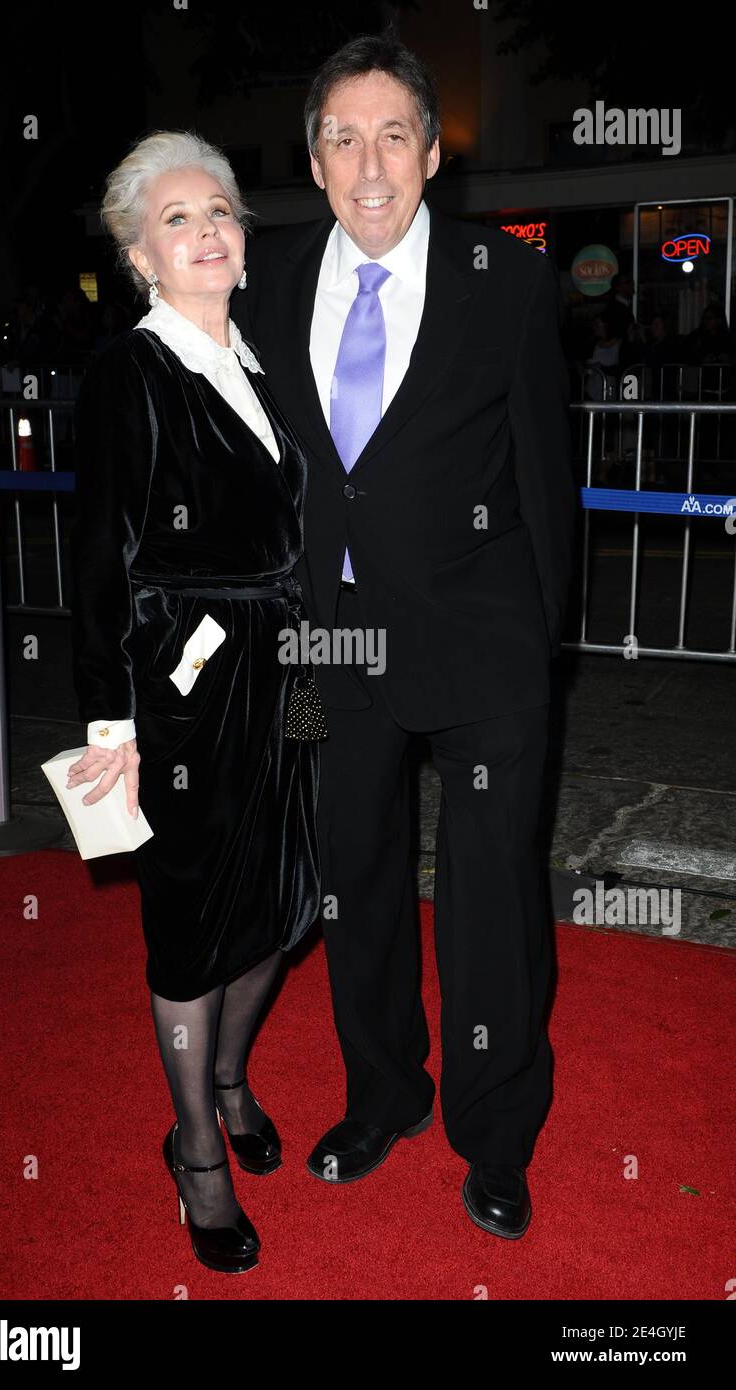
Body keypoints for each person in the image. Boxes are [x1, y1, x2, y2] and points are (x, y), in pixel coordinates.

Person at [231, 30, 576, 1240]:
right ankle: (384, 1096)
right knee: (353, 880)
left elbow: (546, 475)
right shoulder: (263, 281)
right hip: (328, 653)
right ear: (314, 161)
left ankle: (497, 1132)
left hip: (484, 644)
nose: (367, 164)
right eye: (341, 137)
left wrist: (545, 649)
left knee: (488, 893)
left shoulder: (509, 281)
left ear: (432, 151)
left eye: (391, 134)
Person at [66, 131, 321, 1273]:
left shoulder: (260, 363)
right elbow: (104, 562)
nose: (207, 228)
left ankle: (226, 1074)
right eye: (177, 217)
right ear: (138, 255)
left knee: (294, 893)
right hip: (188, 686)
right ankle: (195, 1150)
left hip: (292, 669)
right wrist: (111, 725)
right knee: (191, 922)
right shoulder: (132, 371)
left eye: (219, 209)